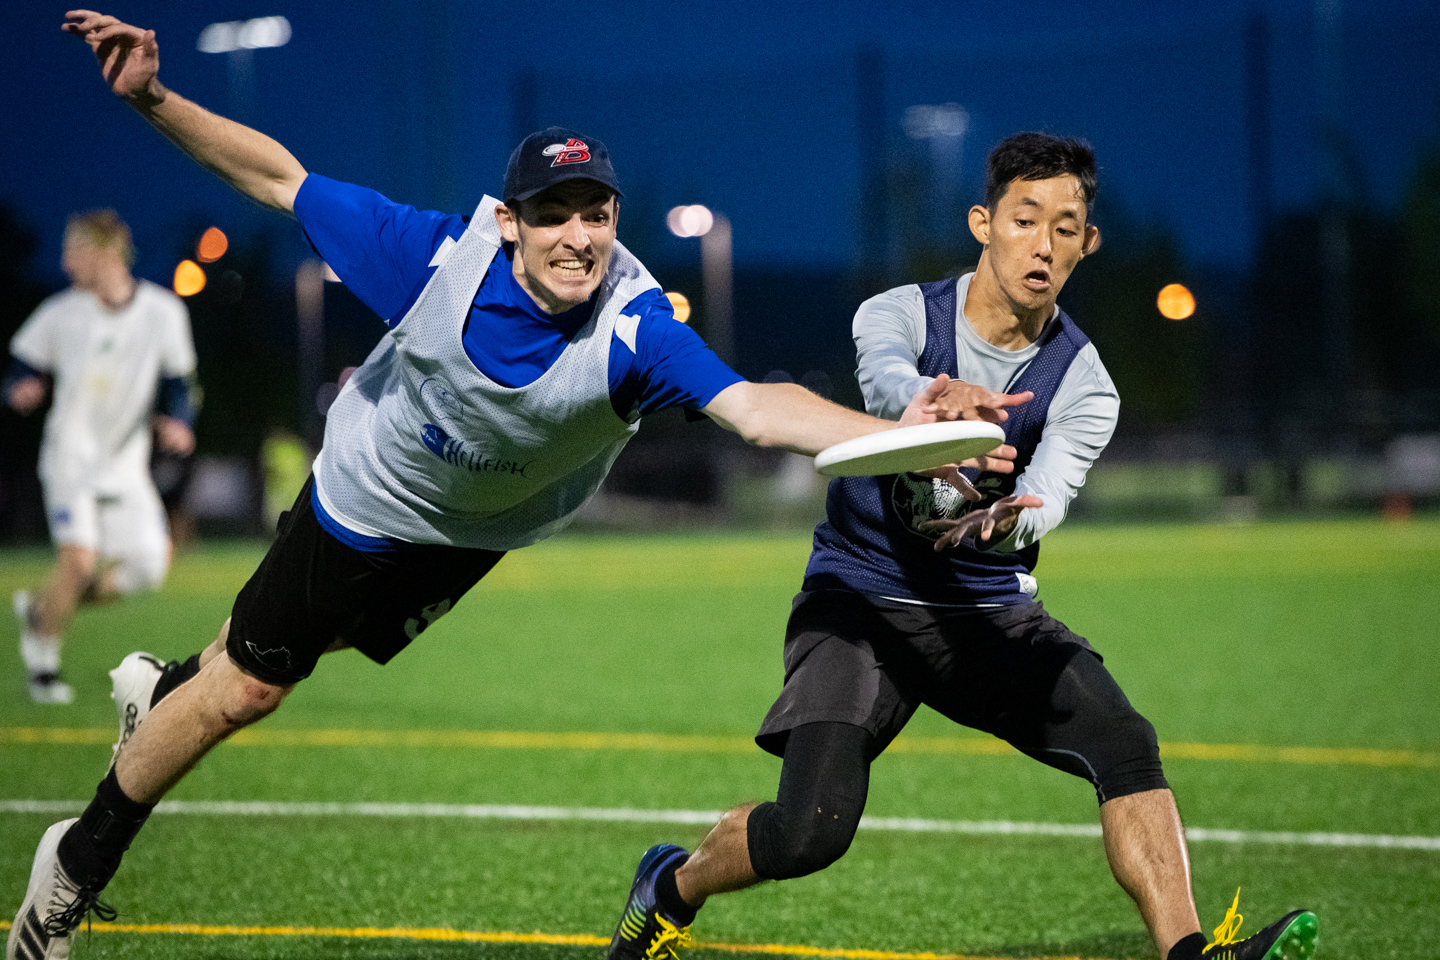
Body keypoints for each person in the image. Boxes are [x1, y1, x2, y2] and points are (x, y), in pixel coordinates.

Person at [6, 12, 1019, 960]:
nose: (581, 235)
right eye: (554, 214)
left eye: (597, 213)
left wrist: (896, 435)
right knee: (255, 686)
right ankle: (78, 858)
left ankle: (167, 689)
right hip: (365, 504)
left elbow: (755, 408)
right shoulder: (430, 257)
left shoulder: (636, 328)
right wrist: (150, 96)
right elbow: (278, 179)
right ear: (508, 222)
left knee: (312, 644)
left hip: (477, 534)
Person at [607, 135, 1320, 960]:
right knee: (810, 834)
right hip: (861, 603)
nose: (1043, 244)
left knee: (1125, 742)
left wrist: (1002, 517)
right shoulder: (900, 314)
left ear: (1088, 243)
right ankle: (669, 885)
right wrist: (935, 407)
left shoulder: (1084, 383)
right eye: (1025, 219)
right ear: (985, 222)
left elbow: (1045, 501)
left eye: (1066, 227)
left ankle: (1192, 955)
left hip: (988, 614)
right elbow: (882, 383)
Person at [5, 208, 198, 705]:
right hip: (69, 460)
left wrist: (181, 422)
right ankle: (43, 668)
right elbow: (21, 363)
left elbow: (181, 383)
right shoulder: (61, 312)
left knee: (148, 569)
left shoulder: (162, 311)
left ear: (107, 252)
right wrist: (19, 387)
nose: (67, 262)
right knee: (78, 560)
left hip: (125, 466)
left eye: (75, 250)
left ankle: (40, 610)